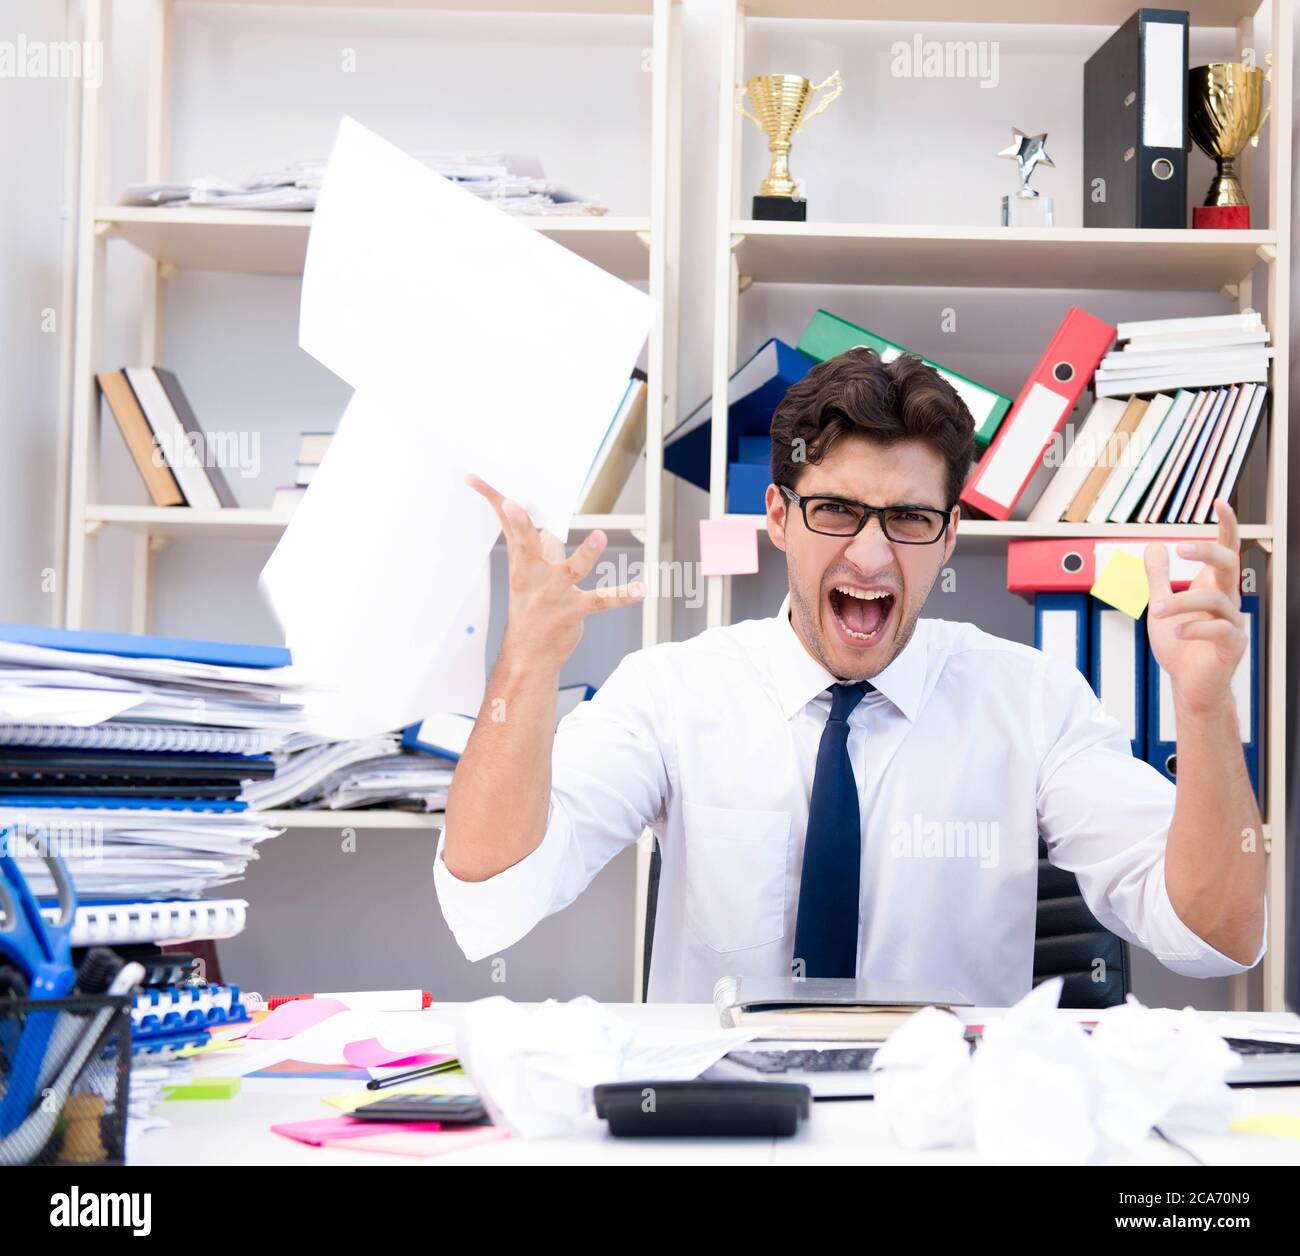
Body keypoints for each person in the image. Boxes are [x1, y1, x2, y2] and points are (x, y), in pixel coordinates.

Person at [437, 349, 1265, 1003]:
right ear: (776, 517)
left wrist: (1204, 710)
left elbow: (1217, 938)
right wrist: (527, 663)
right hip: (732, 1134)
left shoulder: (1034, 702)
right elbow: (489, 894)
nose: (870, 555)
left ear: (946, 540)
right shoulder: (672, 693)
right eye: (835, 510)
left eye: (909, 518)